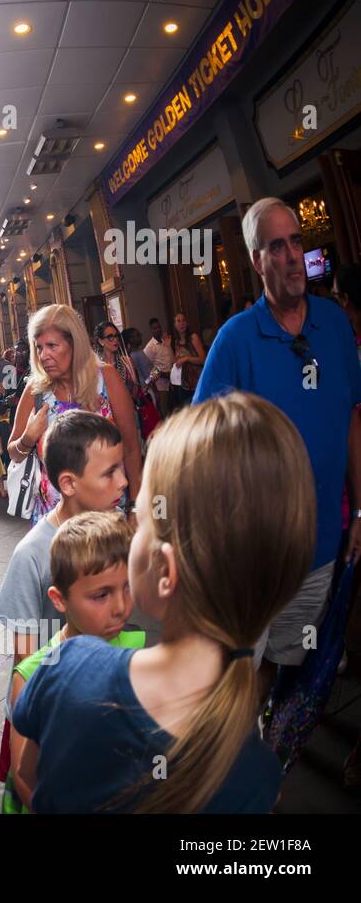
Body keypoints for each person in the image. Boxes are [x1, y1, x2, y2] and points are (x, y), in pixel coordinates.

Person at [11, 393, 311, 812]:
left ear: (164, 570)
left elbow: (29, 778)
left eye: (142, 514)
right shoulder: (257, 773)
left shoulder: (69, 669)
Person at [194, 197, 361, 709]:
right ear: (256, 261)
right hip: (258, 555)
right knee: (241, 672)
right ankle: (242, 764)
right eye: (276, 246)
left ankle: (269, 754)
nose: (292, 256)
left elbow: (353, 416)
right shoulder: (235, 340)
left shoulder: (333, 324)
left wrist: (359, 509)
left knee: (290, 659)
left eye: (296, 242)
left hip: (322, 548)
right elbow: (201, 443)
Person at [0, 412, 128, 788]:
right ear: (68, 483)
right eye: (110, 472)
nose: (124, 481)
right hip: (49, 710)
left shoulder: (116, 529)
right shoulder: (32, 554)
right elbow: (26, 657)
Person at [2, 511, 144, 813]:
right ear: (59, 599)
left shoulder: (139, 653)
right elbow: (27, 779)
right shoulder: (32, 675)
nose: (121, 607)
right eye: (102, 594)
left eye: (128, 587)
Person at [6, 305, 142, 524]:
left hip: (107, 517)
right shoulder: (35, 390)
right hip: (54, 522)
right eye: (39, 347)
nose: (44, 355)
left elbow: (132, 447)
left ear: (74, 344)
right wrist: (28, 438)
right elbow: (13, 452)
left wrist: (136, 506)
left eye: (52, 345)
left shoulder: (106, 379)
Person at [169, 311, 206, 410]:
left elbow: (203, 359)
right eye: (178, 321)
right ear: (175, 324)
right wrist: (168, 346)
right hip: (184, 385)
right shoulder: (176, 342)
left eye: (183, 320)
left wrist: (187, 358)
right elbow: (174, 362)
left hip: (197, 383)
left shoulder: (193, 338)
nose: (182, 323)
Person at [143, 317, 175, 418]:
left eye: (159, 327)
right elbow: (148, 369)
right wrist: (161, 375)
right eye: (154, 328)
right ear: (151, 330)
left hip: (172, 384)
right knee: (164, 414)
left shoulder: (165, 342)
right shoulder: (149, 347)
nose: (157, 329)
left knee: (173, 412)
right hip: (160, 386)